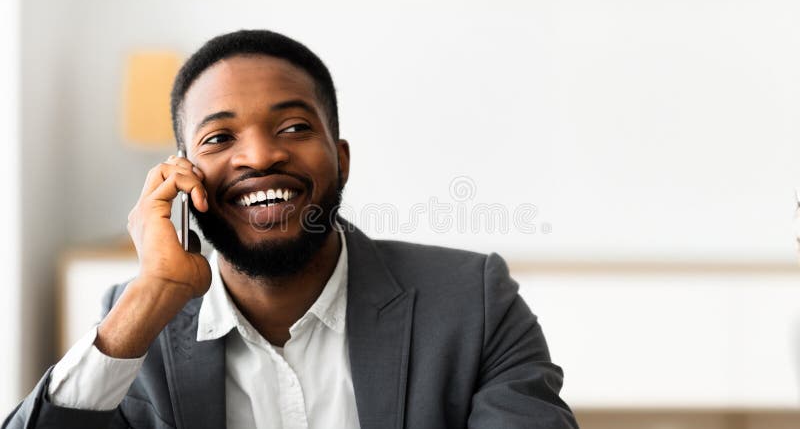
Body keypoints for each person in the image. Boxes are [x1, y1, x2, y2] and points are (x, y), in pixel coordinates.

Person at [3, 29, 578, 429]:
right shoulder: (137, 326)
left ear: (341, 158)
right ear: (183, 176)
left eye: (295, 126)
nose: (259, 156)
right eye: (218, 138)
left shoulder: (473, 300)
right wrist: (151, 295)